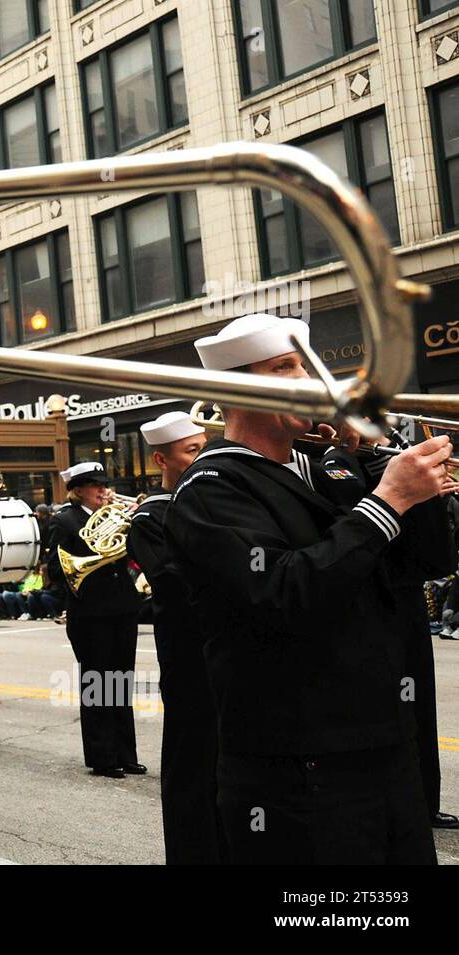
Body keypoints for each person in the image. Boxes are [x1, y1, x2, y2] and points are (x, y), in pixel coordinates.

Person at [165, 312, 448, 864]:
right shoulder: (212, 487)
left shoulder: (325, 469)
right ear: (236, 388)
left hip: (382, 742)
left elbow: (422, 564)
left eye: (306, 365)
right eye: (285, 367)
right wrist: (386, 501)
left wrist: (399, 475)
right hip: (300, 763)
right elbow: (283, 594)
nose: (311, 380)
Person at [310, 438, 459, 831]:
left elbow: (436, 556)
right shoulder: (329, 461)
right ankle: (399, 808)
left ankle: (425, 801)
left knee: (420, 707)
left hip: (405, 592)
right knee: (384, 709)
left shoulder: (386, 456)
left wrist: (432, 497)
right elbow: (347, 510)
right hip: (369, 596)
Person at [125, 410, 219, 864]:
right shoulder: (151, 516)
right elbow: (173, 582)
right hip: (187, 656)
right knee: (192, 763)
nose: (203, 456)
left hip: (226, 654)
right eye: (192, 451)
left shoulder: (211, 498)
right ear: (162, 459)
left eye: (203, 446)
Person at [47, 462, 144, 779]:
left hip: (123, 608)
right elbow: (57, 569)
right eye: (96, 485)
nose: (104, 490)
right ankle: (103, 757)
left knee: (121, 681)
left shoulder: (116, 515)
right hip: (90, 613)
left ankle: (126, 754)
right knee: (99, 684)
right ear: (78, 491)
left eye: (105, 484)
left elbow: (135, 552)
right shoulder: (65, 520)